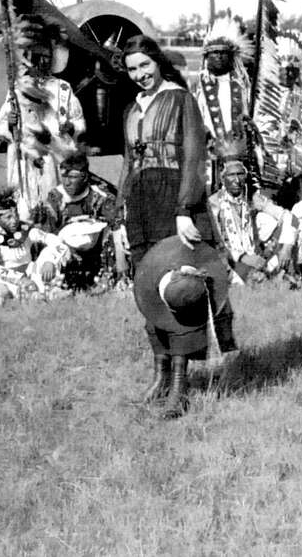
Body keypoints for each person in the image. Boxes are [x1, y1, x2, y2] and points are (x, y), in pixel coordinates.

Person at [118, 35, 215, 416]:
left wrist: (184, 208)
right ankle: (159, 378)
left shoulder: (180, 99)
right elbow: (128, 162)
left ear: (157, 62)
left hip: (172, 197)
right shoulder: (131, 108)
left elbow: (194, 155)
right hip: (140, 204)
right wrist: (120, 211)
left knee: (178, 290)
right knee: (148, 291)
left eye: (145, 65)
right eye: (132, 69)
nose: (140, 74)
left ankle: (180, 386)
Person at [0, 14, 86, 217]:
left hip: (55, 157)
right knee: (26, 210)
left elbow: (78, 122)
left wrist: (71, 128)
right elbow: (0, 127)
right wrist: (9, 124)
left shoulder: (62, 88)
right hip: (26, 161)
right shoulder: (18, 88)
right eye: (36, 57)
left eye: (46, 56)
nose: (42, 61)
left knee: (55, 209)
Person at [133, 237, 236, 418]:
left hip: (190, 240)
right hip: (156, 239)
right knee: (156, 315)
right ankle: (162, 377)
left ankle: (179, 385)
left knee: (185, 312)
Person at [252, 32, 302, 207]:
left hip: (299, 163)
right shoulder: (264, 98)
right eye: (283, 69)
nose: (287, 73)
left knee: (300, 206)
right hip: (271, 163)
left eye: (292, 70)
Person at [29, 152, 121, 291]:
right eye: (64, 176)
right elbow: (45, 234)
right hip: (62, 251)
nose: (67, 182)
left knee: (115, 234)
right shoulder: (55, 198)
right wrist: (50, 258)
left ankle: (113, 279)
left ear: (85, 177)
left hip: (96, 249)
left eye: (72, 177)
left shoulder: (100, 196)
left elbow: (117, 223)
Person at [207, 142, 289, 283]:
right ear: (222, 178)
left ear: (246, 176)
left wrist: (286, 246)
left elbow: (287, 216)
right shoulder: (214, 203)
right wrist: (243, 257)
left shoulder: (253, 199)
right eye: (231, 175)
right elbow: (217, 243)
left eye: (240, 174)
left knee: (271, 221)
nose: (236, 180)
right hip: (230, 261)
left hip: (257, 256)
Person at [193, 13, 253, 145]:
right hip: (208, 147)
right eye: (215, 52)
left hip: (238, 148)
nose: (219, 57)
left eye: (223, 53)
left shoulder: (242, 84)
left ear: (231, 57)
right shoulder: (199, 85)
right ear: (207, 56)